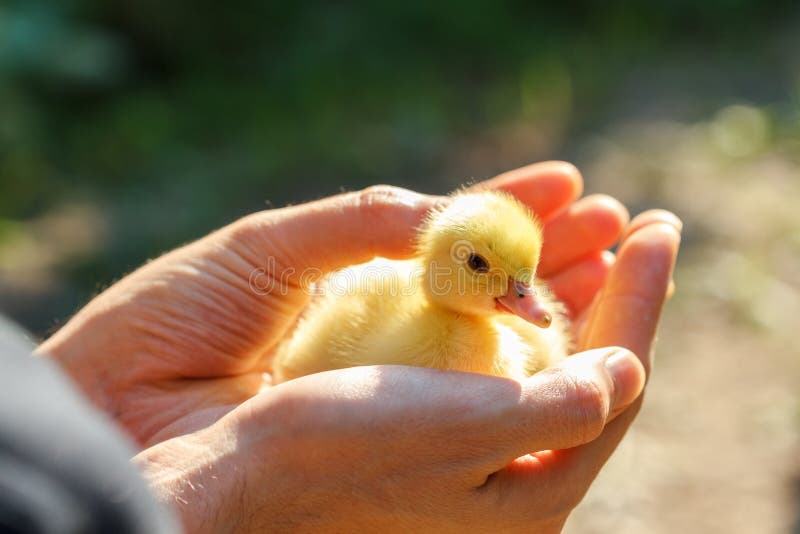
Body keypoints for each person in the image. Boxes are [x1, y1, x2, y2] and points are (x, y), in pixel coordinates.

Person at [3, 161, 680, 532]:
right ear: (441, 258)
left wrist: (88, 383)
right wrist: (240, 489)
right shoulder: (392, 312)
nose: (528, 302)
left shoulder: (497, 323)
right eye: (484, 270)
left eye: (523, 283)